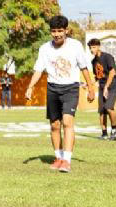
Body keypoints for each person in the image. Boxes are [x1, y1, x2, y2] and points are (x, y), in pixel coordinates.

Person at [25, 15, 95, 174]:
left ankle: (67, 161)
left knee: (67, 122)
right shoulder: (44, 48)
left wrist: (91, 88)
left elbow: (84, 67)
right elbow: (38, 69)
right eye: (53, 31)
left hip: (71, 88)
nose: (56, 34)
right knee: (54, 125)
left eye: (60, 31)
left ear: (66, 30)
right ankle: (58, 158)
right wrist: (30, 87)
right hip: (52, 88)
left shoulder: (76, 46)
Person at [87, 38, 116, 140]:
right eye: (90, 47)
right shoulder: (93, 61)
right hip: (102, 86)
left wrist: (106, 86)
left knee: (109, 107)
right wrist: (89, 84)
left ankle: (114, 130)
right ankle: (104, 133)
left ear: (98, 47)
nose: (92, 49)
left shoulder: (107, 57)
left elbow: (112, 72)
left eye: (93, 47)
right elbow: (98, 76)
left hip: (113, 85)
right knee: (102, 110)